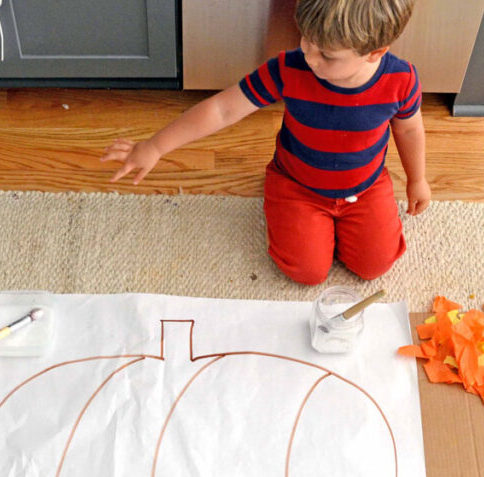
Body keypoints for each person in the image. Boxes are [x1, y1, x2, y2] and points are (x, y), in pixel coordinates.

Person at [101, 0, 428, 285]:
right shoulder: (289, 68)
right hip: (297, 184)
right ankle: (287, 202)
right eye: (306, 39)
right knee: (307, 271)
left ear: (375, 53)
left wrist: (417, 179)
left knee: (375, 265)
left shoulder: (401, 81)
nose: (308, 54)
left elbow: (409, 131)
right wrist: (156, 146)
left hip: (366, 186)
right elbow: (222, 109)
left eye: (326, 55)